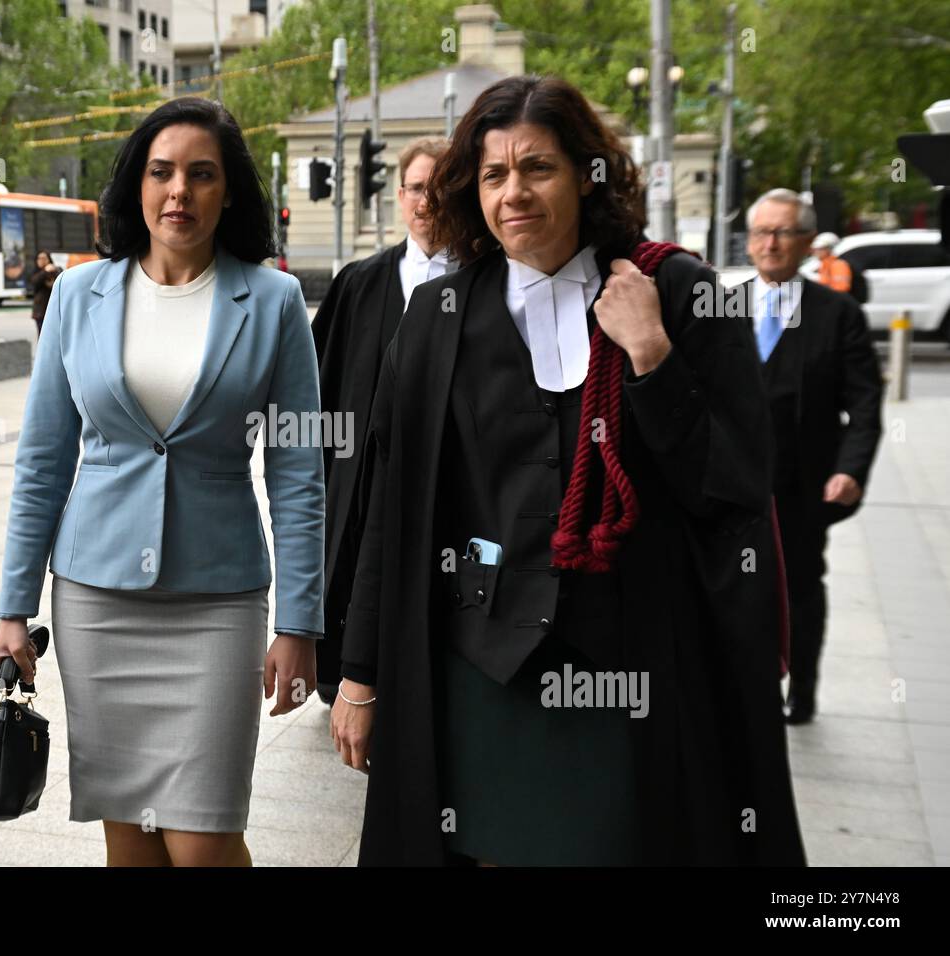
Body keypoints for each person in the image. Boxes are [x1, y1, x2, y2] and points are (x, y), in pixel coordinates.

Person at [329, 75, 805, 866]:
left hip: (633, 673)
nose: (514, 192)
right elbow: (394, 508)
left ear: (588, 175)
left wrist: (651, 357)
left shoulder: (674, 291)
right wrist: (359, 676)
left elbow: (735, 487)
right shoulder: (436, 317)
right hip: (477, 673)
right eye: (493, 174)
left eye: (538, 168)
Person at [0, 97, 325, 867]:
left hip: (219, 602)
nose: (179, 192)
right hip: (96, 602)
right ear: (136, 188)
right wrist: (14, 608)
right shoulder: (79, 295)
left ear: (229, 190)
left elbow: (300, 475)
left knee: (203, 841)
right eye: (161, 172)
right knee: (131, 839)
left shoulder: (272, 301)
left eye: (201, 175)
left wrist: (299, 624)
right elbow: (43, 460)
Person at [310, 135, 455, 704]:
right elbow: (320, 386)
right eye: (418, 188)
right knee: (353, 577)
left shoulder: (483, 285)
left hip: (438, 475)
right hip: (353, 476)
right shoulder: (360, 282)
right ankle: (342, 679)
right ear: (399, 195)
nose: (429, 202)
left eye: (443, 189)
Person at [737, 189, 884, 725]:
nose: (770, 244)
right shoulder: (719, 307)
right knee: (738, 586)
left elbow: (865, 401)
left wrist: (850, 469)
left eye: (782, 233)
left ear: (805, 242)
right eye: (760, 233)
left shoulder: (836, 313)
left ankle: (802, 688)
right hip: (734, 485)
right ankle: (746, 685)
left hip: (802, 485)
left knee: (798, 587)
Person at [26, 250, 62, 340]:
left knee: (55, 337)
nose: (40, 260)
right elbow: (34, 282)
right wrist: (45, 271)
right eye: (39, 258)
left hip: (54, 309)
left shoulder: (56, 270)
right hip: (40, 312)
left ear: (48, 260)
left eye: (43, 258)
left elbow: (60, 279)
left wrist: (53, 270)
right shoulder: (36, 272)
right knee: (42, 337)